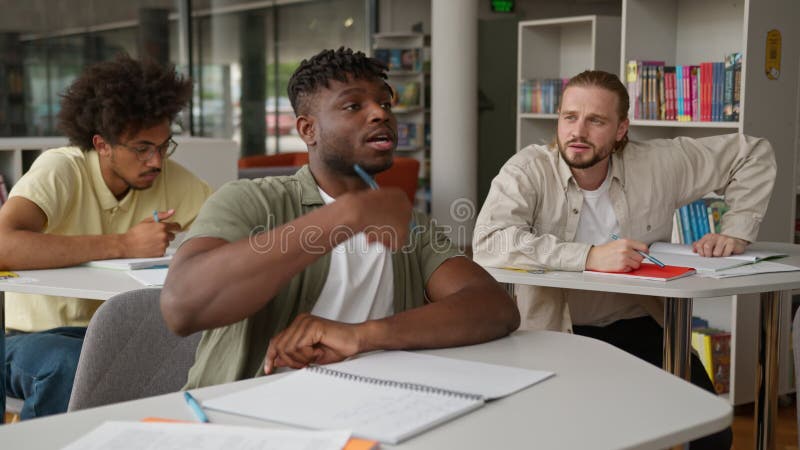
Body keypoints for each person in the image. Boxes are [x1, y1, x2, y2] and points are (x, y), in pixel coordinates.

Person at [160, 47, 520, 388]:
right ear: (307, 130)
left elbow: (494, 307)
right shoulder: (250, 200)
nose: (380, 113)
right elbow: (182, 306)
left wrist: (362, 335)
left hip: (372, 411)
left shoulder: (408, 224)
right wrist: (347, 215)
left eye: (384, 103)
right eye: (353, 105)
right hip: (247, 416)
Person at [473, 70, 775, 450]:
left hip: (640, 321)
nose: (577, 132)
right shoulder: (528, 169)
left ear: (621, 129)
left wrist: (736, 229)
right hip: (554, 331)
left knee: (712, 431)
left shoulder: (660, 162)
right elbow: (488, 241)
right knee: (580, 434)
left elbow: (751, 152)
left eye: (595, 120)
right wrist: (589, 256)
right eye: (569, 117)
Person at [0, 55, 212, 419]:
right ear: (102, 145)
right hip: (28, 335)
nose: (157, 161)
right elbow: (4, 244)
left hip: (114, 337)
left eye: (163, 146)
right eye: (142, 148)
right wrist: (125, 244)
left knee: (199, 356)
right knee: (68, 366)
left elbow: (235, 229)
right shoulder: (62, 168)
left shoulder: (169, 177)